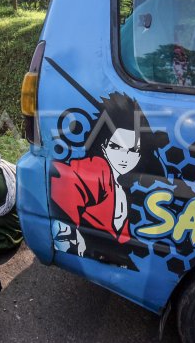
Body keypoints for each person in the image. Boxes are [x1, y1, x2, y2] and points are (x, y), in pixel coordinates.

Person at [49, 93, 163, 264]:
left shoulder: (124, 186)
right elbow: (66, 176)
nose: (125, 157)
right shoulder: (99, 169)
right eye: (116, 147)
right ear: (103, 146)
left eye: (133, 150)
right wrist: (68, 232)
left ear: (141, 155)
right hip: (87, 255)